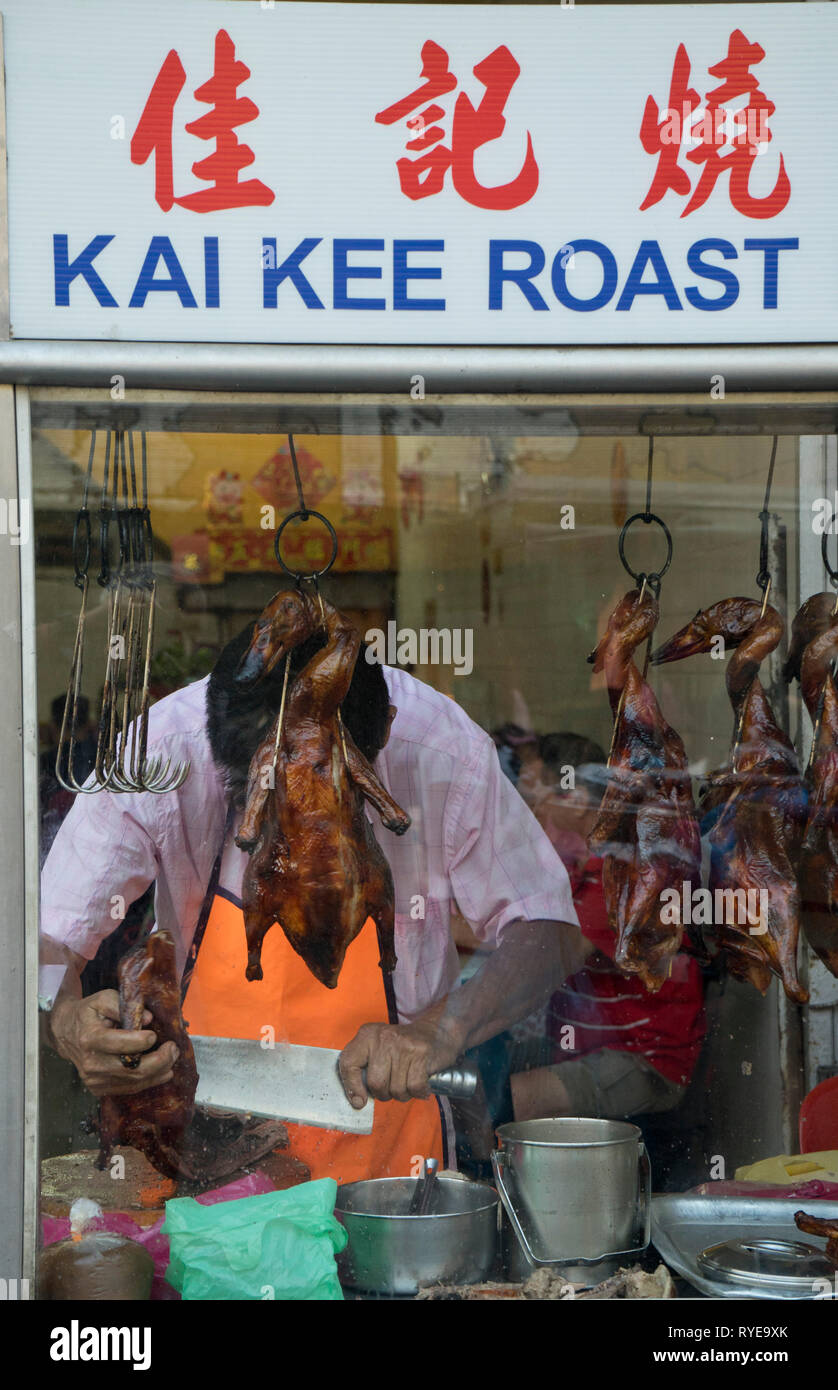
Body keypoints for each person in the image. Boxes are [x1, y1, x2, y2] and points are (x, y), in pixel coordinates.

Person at [40, 616, 589, 1184]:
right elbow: (49, 938)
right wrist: (65, 1020)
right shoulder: (161, 749)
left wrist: (439, 1031)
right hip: (203, 1146)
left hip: (387, 1162)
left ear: (379, 747)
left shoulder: (441, 747)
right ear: (220, 746)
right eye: (264, 797)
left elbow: (547, 930)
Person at [510, 732, 706, 1123]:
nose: (525, 809)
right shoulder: (575, 860)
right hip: (583, 1045)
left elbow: (553, 954)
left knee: (505, 1097)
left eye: (534, 797)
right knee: (482, 1075)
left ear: (576, 799)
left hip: (644, 1059)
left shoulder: (622, 867)